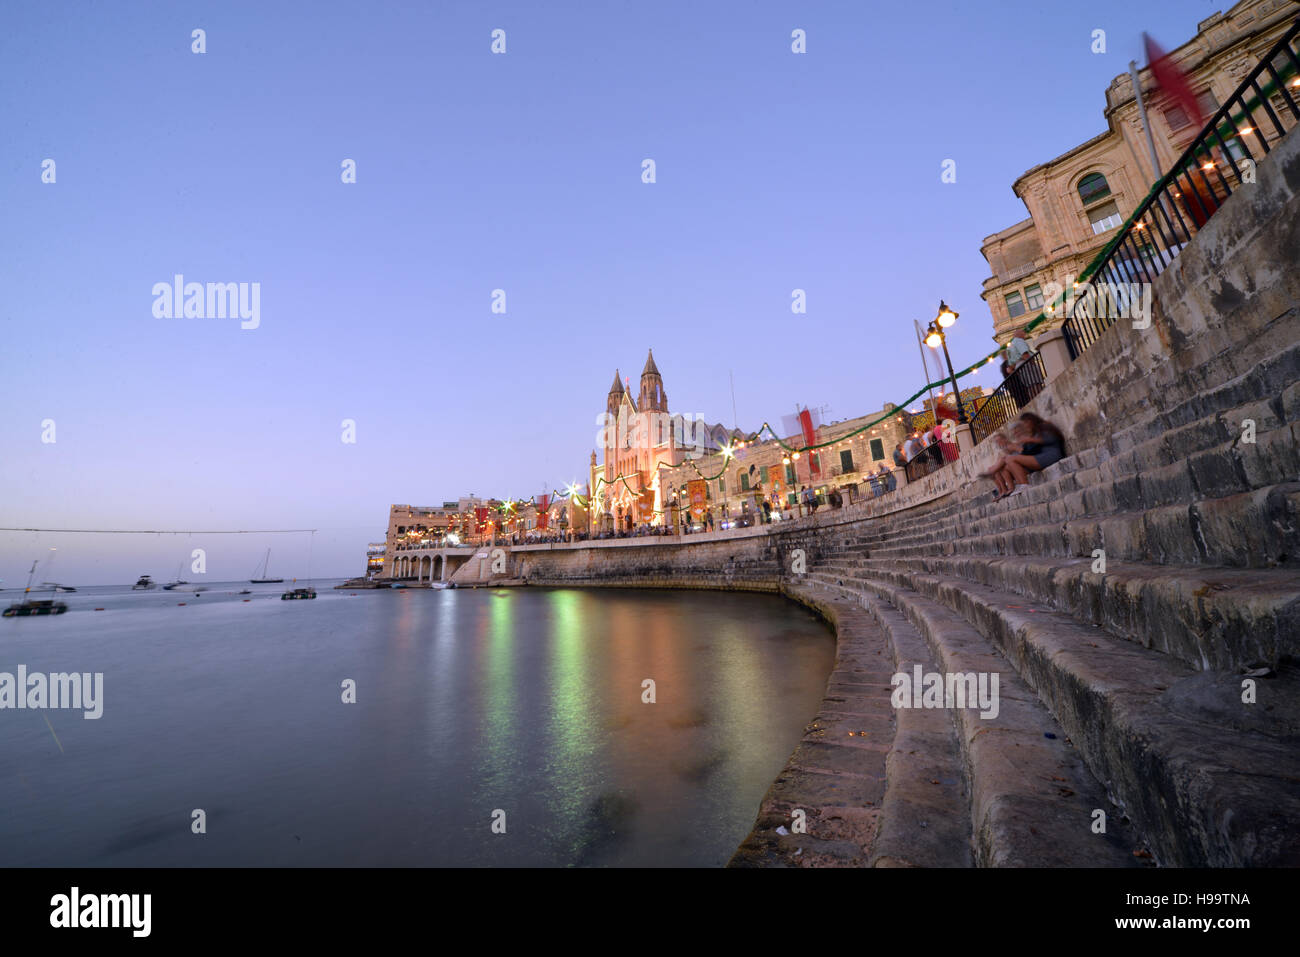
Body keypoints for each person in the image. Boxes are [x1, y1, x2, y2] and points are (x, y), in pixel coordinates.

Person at [985, 412, 1067, 498]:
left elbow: (1053, 439)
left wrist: (1029, 440)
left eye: (1025, 424)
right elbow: (1031, 451)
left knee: (1009, 459)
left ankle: (1024, 484)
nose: (1025, 426)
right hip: (1040, 457)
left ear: (1030, 421)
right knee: (1006, 466)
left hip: (1051, 455)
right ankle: (1016, 486)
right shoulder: (1033, 434)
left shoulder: (1044, 426)